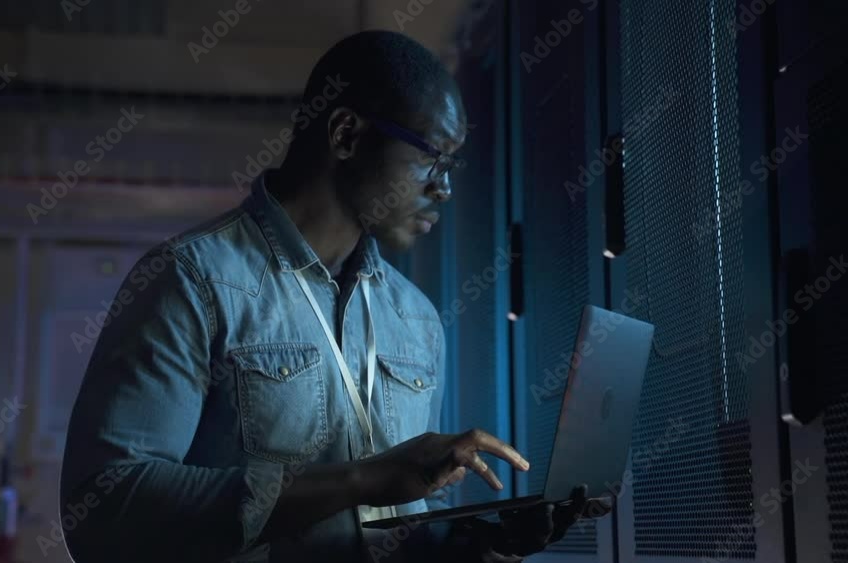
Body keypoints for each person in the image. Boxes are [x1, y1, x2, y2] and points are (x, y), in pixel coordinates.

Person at [59, 30, 595, 563]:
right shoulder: (189, 280)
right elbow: (107, 513)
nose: (444, 188)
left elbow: (390, 538)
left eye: (452, 168)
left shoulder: (416, 319)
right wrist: (357, 480)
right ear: (345, 134)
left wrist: (488, 544)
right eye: (434, 157)